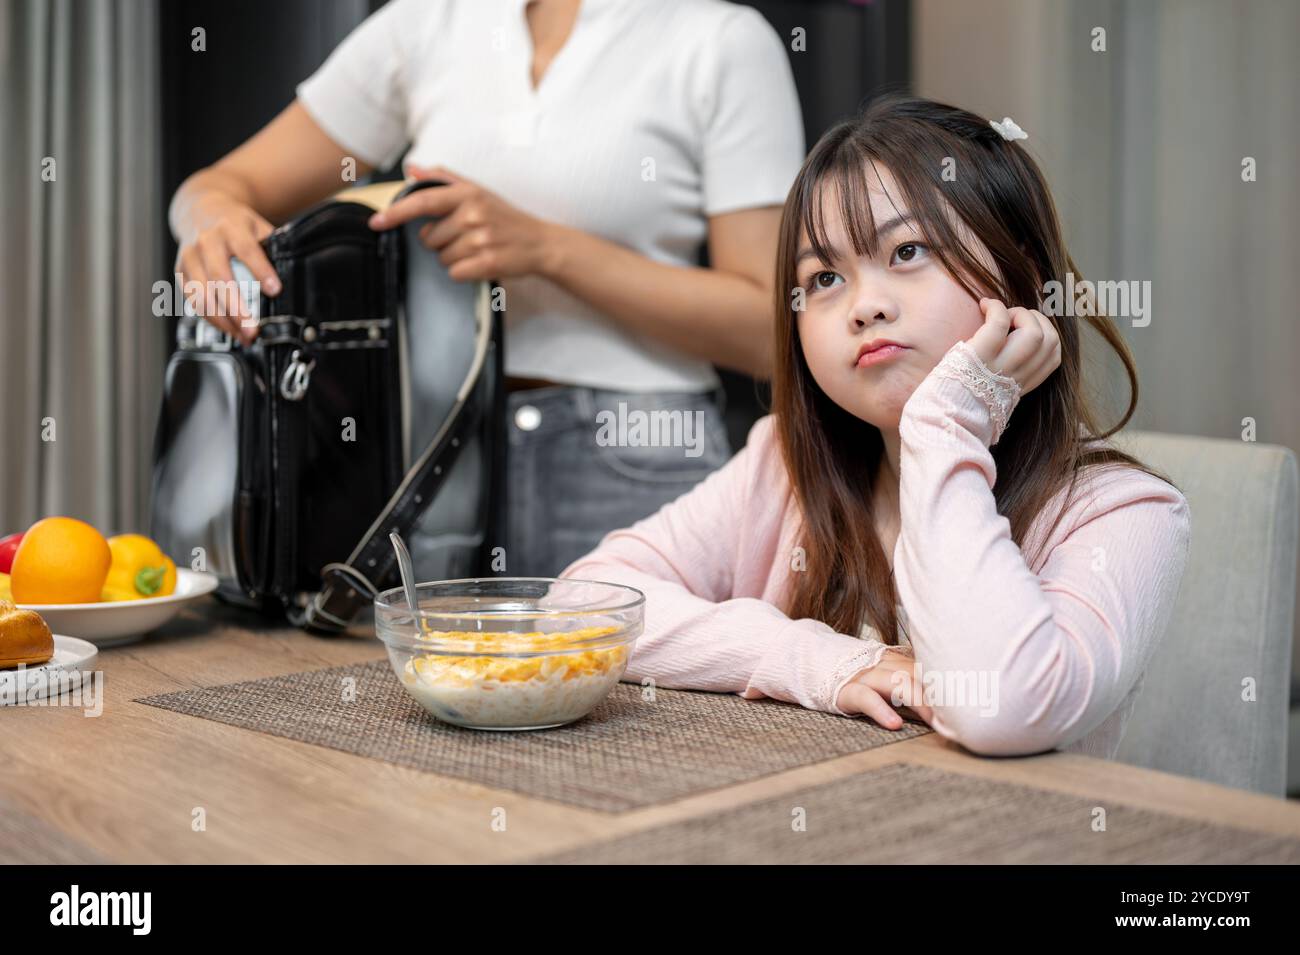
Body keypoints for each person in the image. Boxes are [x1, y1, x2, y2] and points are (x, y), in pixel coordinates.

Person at [560, 95, 1191, 759]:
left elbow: (1002, 708)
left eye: (908, 249)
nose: (864, 306)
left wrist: (947, 424)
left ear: (1024, 275)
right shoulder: (780, 467)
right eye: (825, 276)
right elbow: (584, 607)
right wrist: (809, 659)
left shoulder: (1124, 512)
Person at [168, 0, 805, 576]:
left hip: (637, 457)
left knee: (651, 703)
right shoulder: (428, 22)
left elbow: (769, 330)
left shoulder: (720, 41)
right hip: (436, 453)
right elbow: (217, 186)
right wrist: (212, 221)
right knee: (396, 703)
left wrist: (546, 249)